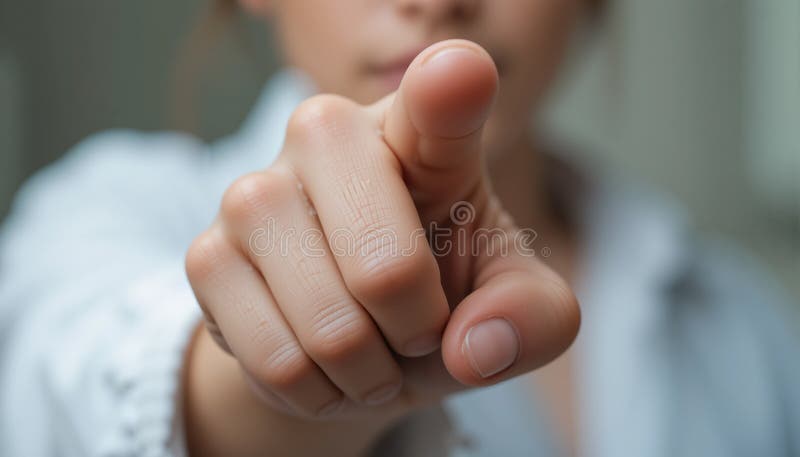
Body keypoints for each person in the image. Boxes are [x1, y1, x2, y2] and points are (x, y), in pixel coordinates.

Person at [1, 1, 798, 456]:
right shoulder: (102, 220)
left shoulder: (744, 322)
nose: (435, 0)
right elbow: (68, 388)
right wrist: (282, 388)